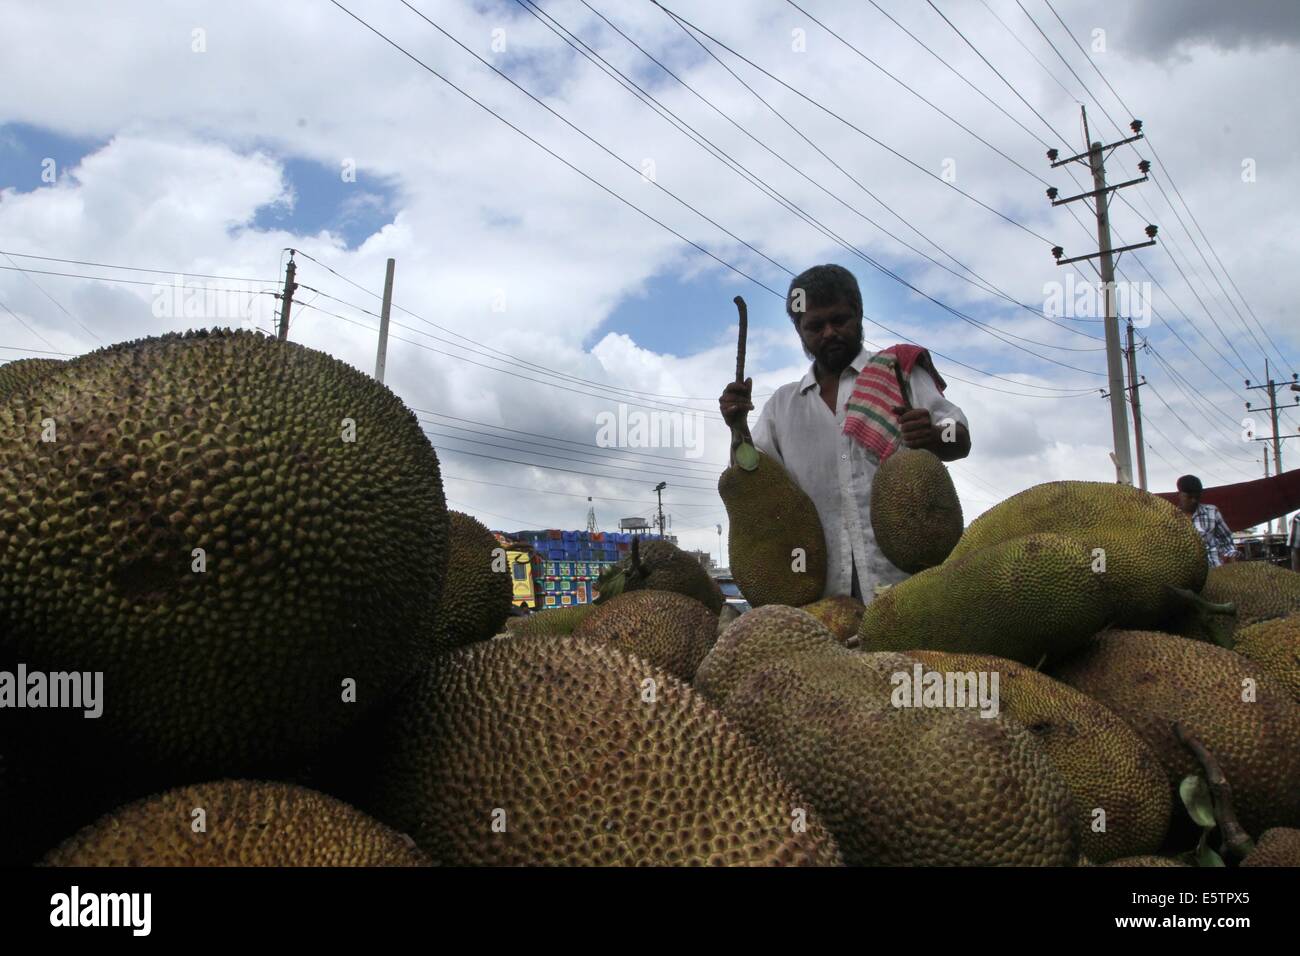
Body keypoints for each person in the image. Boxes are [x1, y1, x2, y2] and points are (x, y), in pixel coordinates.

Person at [718, 264, 970, 600]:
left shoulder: (898, 374)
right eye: (815, 326)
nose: (829, 333)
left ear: (859, 315)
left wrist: (935, 436)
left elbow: (960, 437)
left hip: (911, 592)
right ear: (799, 329)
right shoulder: (782, 406)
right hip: (823, 601)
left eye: (839, 320)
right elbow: (752, 478)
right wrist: (738, 430)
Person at [1176, 474, 1238, 567]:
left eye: (1197, 497)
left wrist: (1231, 556)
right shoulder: (1170, 517)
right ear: (1179, 495)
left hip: (1215, 569)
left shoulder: (1212, 511)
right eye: (1189, 497)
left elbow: (1227, 541)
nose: (1193, 501)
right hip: (1184, 572)